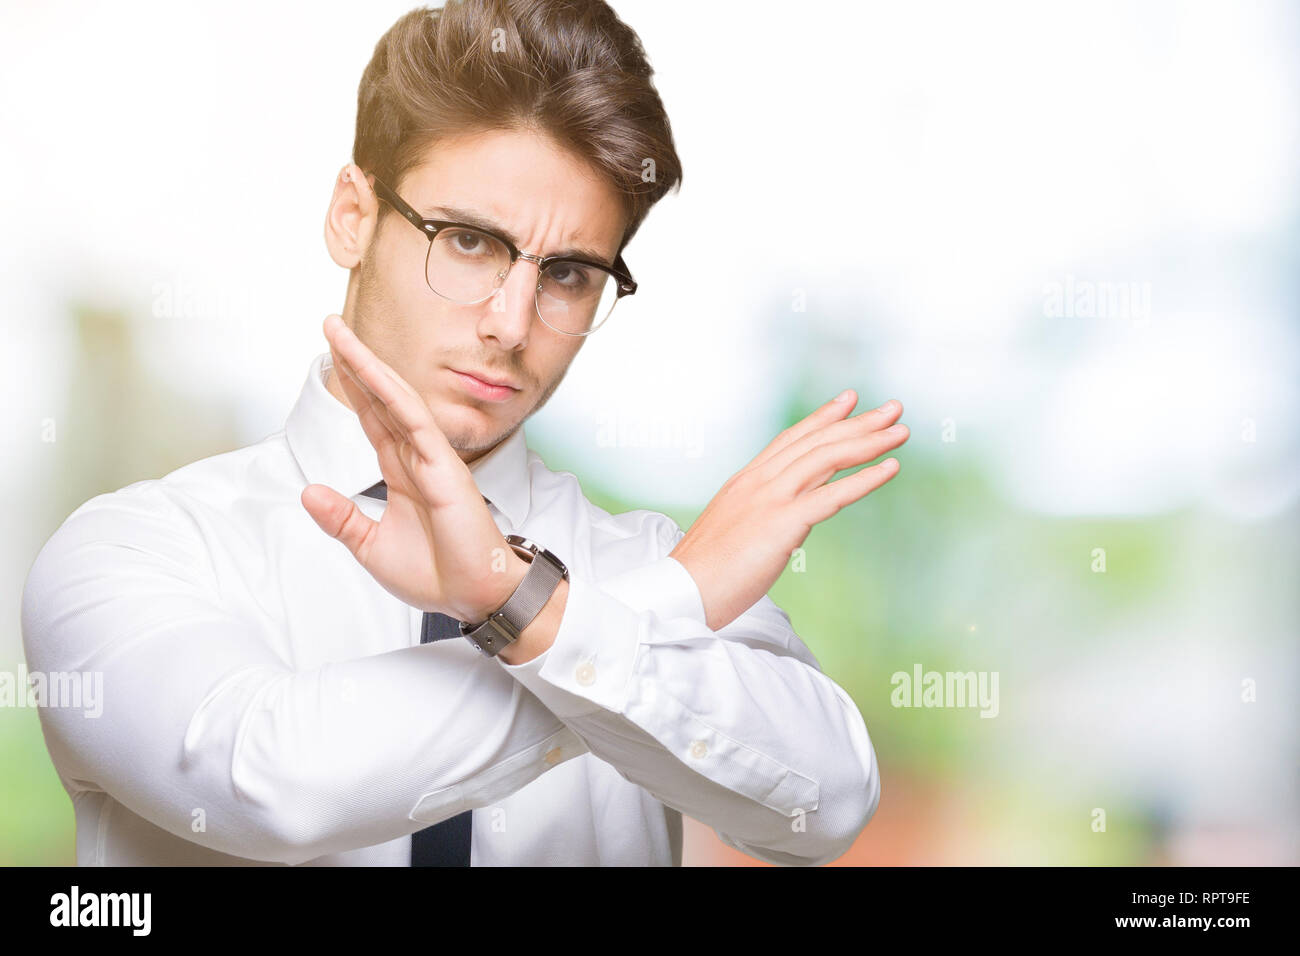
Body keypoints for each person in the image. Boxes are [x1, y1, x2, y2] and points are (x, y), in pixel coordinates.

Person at [20, 0, 909, 866]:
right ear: (352, 216)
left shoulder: (643, 556)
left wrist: (532, 604)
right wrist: (623, 611)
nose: (513, 324)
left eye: (566, 273)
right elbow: (269, 786)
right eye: (471, 242)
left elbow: (822, 806)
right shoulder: (140, 546)